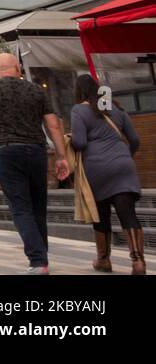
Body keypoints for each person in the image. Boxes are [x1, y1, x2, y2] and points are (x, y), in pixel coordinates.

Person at [0, 52, 71, 274]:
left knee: (20, 208)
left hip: (8, 151)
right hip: (36, 151)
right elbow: (53, 125)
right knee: (38, 207)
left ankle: (38, 261)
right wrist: (61, 156)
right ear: (17, 68)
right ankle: (41, 256)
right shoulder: (36, 90)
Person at [70, 74, 144, 275]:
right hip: (123, 166)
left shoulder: (79, 110)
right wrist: (124, 157)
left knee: (101, 215)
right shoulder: (117, 109)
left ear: (79, 92)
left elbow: (80, 142)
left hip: (97, 169)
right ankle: (138, 262)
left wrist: (70, 140)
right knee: (128, 214)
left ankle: (104, 260)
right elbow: (135, 139)